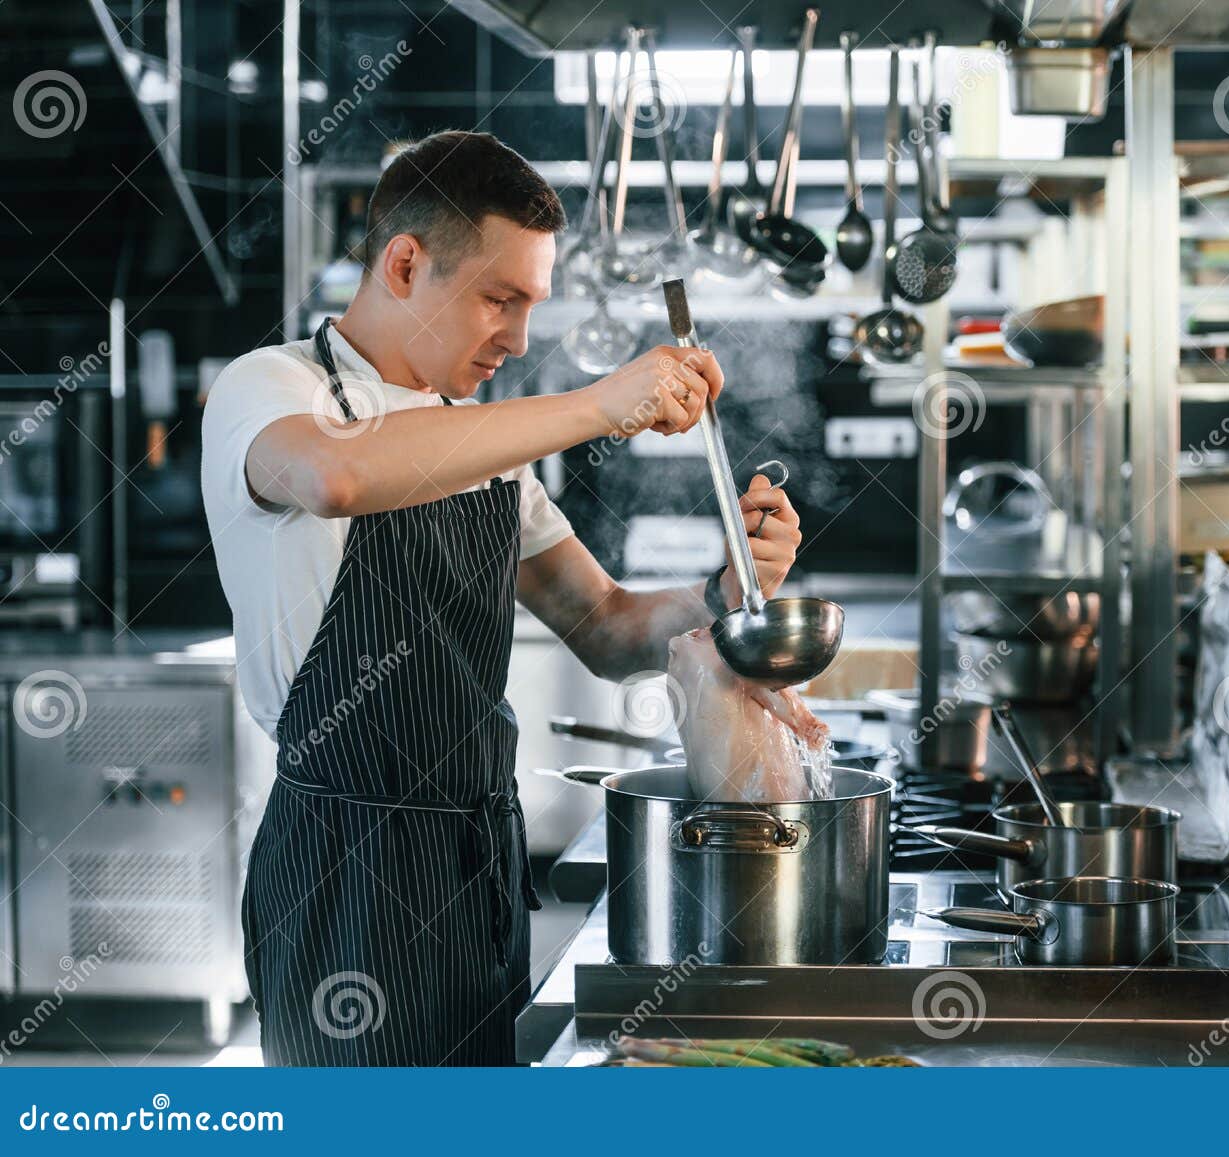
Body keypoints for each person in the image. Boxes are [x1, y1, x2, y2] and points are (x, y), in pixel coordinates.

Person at [200, 131, 801, 1065]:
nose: (519, 339)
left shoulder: (484, 445)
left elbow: (605, 627)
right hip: (344, 865)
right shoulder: (272, 387)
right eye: (499, 298)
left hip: (477, 861)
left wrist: (721, 590)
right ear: (404, 262)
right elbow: (336, 479)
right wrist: (605, 402)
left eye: (532, 305)